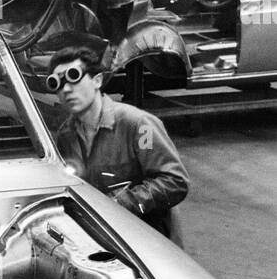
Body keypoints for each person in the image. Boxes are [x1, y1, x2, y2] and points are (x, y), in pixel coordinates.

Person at [48, 42, 189, 237]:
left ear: (97, 81)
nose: (66, 89)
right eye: (58, 83)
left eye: (74, 77)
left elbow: (174, 181)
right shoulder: (66, 135)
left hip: (147, 237)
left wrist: (124, 203)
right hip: (103, 236)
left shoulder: (139, 125)